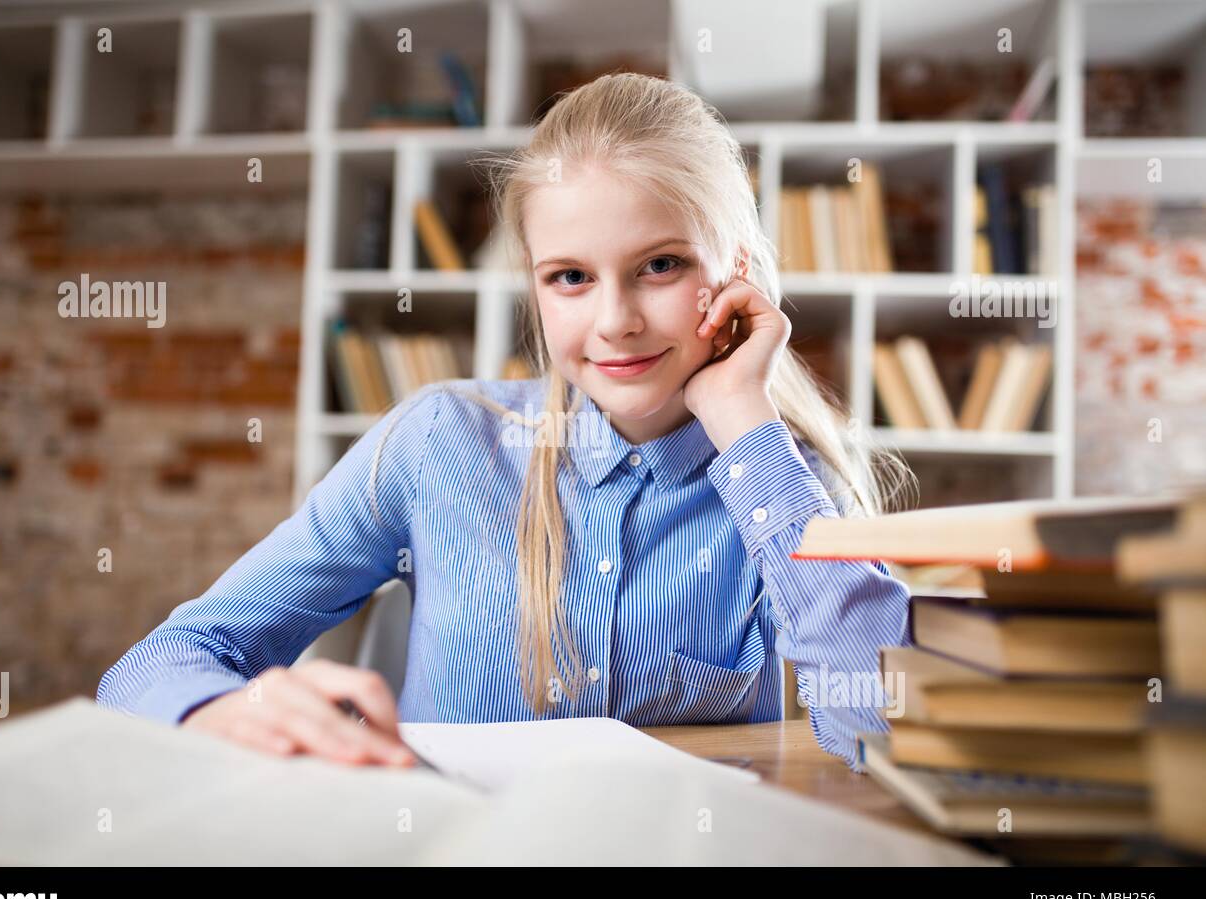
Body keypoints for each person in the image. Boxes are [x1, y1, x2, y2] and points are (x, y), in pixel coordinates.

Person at [97, 72, 915, 772]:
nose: (614, 321)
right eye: (569, 277)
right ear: (534, 284)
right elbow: (156, 665)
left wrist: (742, 415)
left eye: (660, 266)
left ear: (734, 269)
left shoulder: (786, 485)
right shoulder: (438, 444)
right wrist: (221, 713)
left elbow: (883, 733)